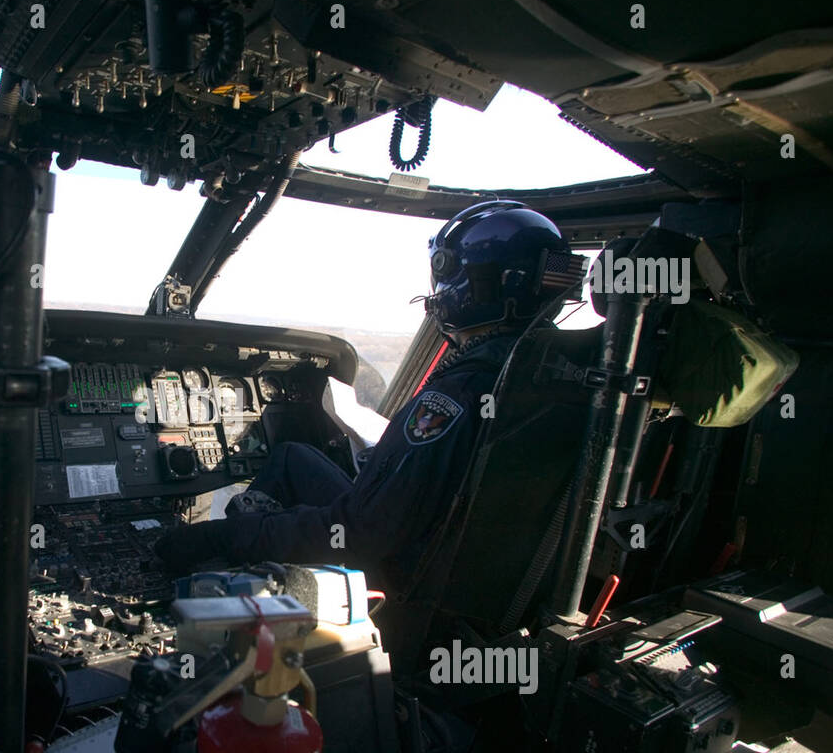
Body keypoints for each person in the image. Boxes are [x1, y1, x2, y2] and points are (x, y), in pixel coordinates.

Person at [153, 200, 588, 585]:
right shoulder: (560, 377)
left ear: (472, 282)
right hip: (477, 571)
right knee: (293, 456)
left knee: (223, 532)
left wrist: (220, 536)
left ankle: (223, 581)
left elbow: (359, 533)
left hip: (402, 576)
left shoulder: (459, 394)